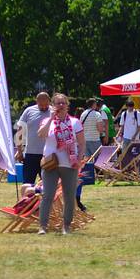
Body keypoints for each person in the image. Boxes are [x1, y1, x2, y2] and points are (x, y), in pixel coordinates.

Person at [35, 93, 86, 235]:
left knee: (69, 196)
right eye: (58, 103)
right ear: (53, 105)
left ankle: (66, 226)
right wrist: (52, 118)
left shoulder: (75, 122)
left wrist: (79, 160)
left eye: (63, 103)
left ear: (68, 105)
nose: (61, 106)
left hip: (70, 164)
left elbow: (82, 143)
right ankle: (42, 227)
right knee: (48, 195)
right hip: (51, 164)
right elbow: (41, 135)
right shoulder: (47, 121)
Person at [15, 92, 52, 186]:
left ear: (49, 101)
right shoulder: (28, 111)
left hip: (49, 154)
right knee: (27, 183)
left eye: (46, 105)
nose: (44, 107)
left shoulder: (54, 112)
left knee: (49, 185)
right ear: (37, 102)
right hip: (31, 154)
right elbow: (20, 131)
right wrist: (19, 151)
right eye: (41, 105)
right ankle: (26, 201)